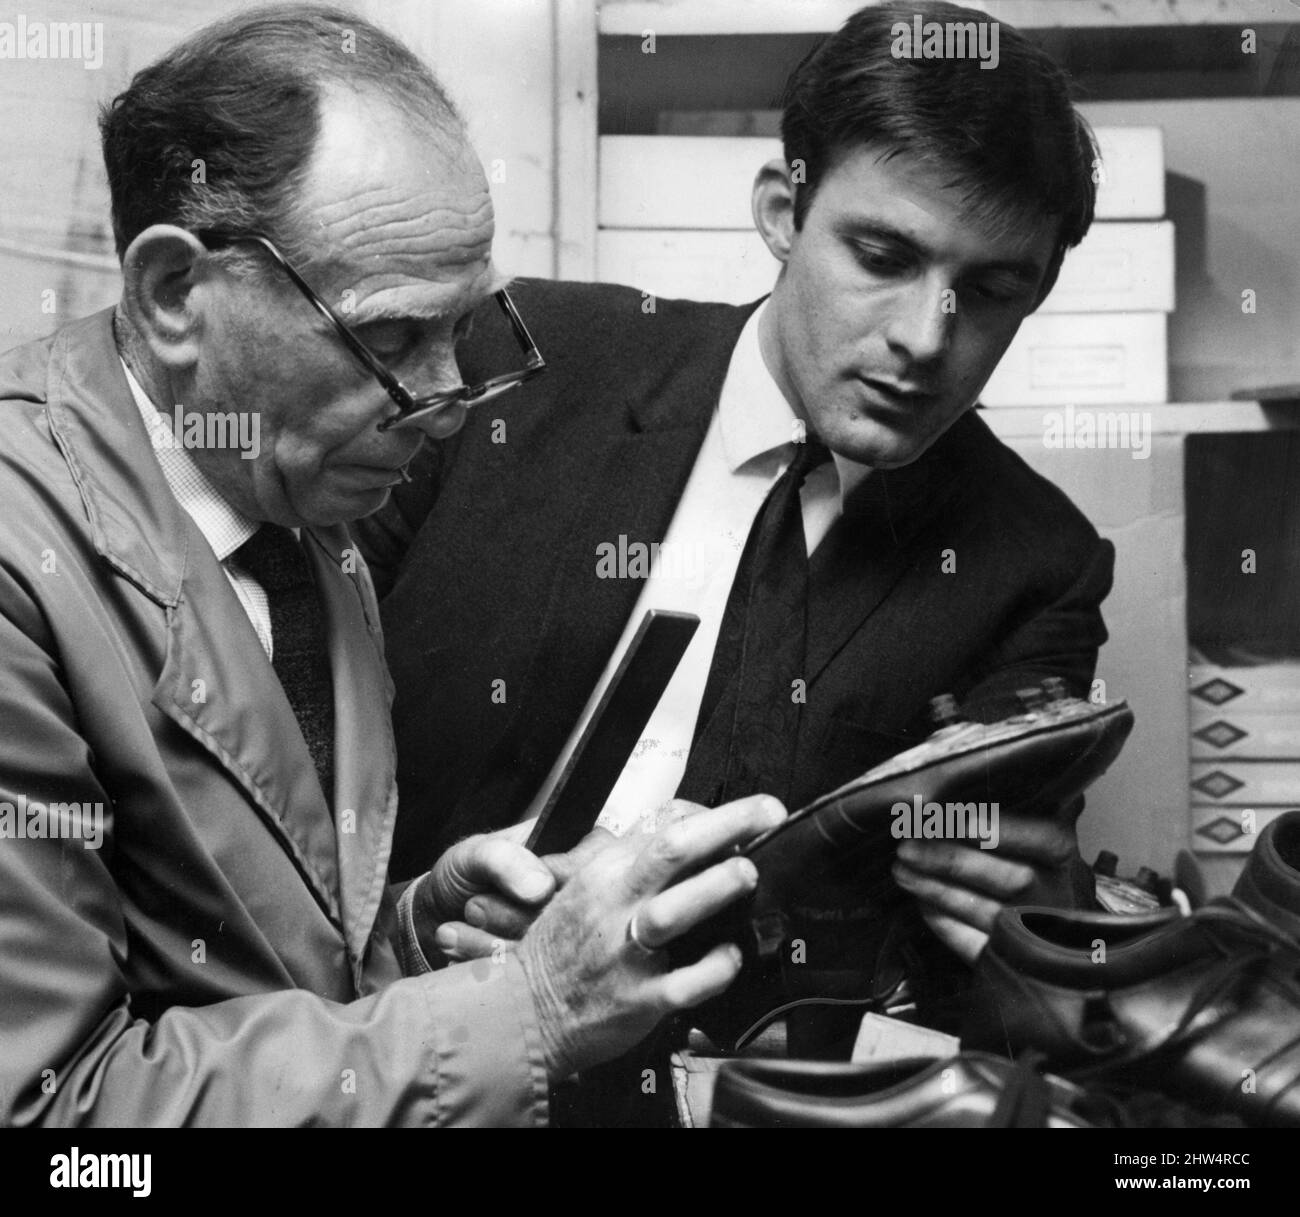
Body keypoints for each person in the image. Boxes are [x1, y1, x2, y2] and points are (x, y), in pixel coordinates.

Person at [0, 4, 782, 1128]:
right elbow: (58, 1116)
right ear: (176, 294)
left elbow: (260, 973)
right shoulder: (18, 561)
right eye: (391, 338)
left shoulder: (287, 494)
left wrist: (412, 934)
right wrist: (530, 1006)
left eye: (463, 331)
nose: (448, 405)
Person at [359, 0, 1115, 995]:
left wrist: (1049, 930)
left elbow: (977, 954)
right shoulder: (520, 359)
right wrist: (409, 923)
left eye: (989, 292)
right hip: (400, 1026)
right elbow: (282, 729)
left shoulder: (1037, 566)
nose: (925, 340)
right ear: (780, 211)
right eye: (882, 259)